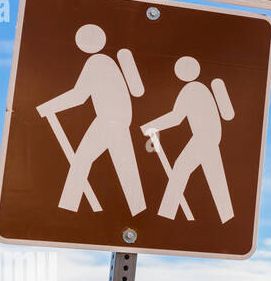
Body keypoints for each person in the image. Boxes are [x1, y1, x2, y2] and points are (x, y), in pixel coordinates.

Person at [36, 24, 146, 215]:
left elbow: (79, 96)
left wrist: (47, 107)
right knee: (126, 169)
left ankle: (67, 210)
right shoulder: (108, 61)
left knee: (81, 160)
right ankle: (139, 212)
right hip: (120, 121)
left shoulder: (97, 62)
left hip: (107, 120)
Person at [140, 57, 234, 223]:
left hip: (203, 137)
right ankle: (227, 218)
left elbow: (176, 117)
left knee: (180, 169)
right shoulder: (201, 88)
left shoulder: (191, 89)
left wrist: (149, 126)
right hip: (211, 137)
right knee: (215, 178)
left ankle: (166, 215)